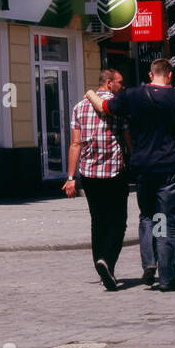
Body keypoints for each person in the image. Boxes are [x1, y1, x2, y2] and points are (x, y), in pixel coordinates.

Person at [86, 57, 175, 290]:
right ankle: (166, 277)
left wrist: (89, 93)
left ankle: (149, 262)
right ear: (169, 76)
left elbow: (104, 107)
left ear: (150, 75)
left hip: (143, 167)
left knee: (148, 216)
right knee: (165, 220)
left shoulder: (133, 95)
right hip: (169, 166)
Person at [64, 67, 128, 290]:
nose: (123, 86)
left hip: (89, 174)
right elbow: (128, 138)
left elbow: (75, 144)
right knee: (118, 221)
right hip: (114, 171)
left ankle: (100, 265)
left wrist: (71, 177)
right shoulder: (120, 106)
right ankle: (107, 262)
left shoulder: (79, 107)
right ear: (109, 83)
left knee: (98, 220)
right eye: (120, 82)